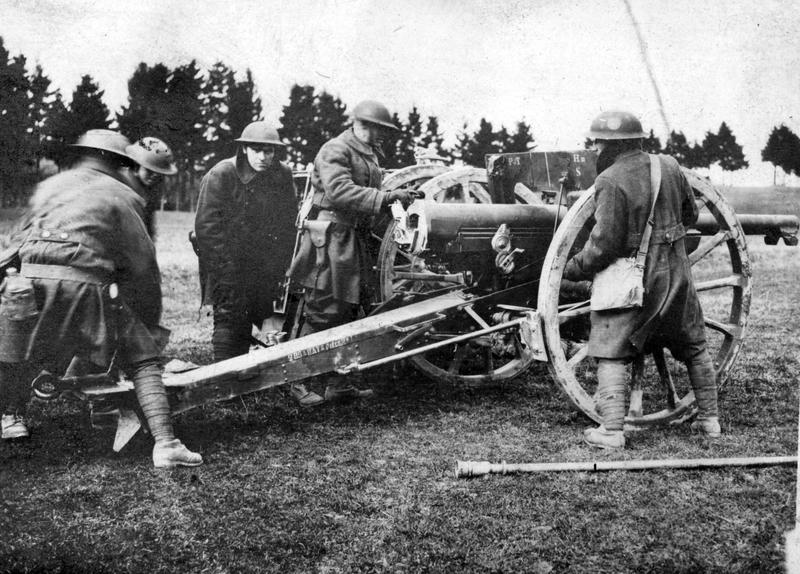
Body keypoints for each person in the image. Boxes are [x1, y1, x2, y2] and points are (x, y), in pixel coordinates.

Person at [0, 129, 202, 468]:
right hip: (82, 284)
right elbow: (142, 267)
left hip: (27, 281)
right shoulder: (121, 195)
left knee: (21, 352)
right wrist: (147, 321)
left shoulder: (51, 185)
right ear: (122, 161)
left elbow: (16, 239)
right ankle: (167, 444)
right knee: (142, 356)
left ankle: (10, 418)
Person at [562, 110, 720, 450]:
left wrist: (571, 268)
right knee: (693, 343)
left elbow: (603, 247)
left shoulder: (609, 180)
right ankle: (710, 421)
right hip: (676, 272)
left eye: (597, 144)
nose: (595, 150)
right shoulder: (669, 165)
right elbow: (690, 214)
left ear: (608, 147)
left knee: (610, 346)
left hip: (633, 279)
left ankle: (612, 431)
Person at [286, 99, 414, 402]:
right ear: (360, 124)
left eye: (384, 130)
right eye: (377, 129)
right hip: (331, 237)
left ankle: (338, 383)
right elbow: (339, 191)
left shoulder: (366, 153)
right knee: (322, 309)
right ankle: (297, 381)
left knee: (347, 312)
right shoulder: (336, 149)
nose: (381, 135)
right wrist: (385, 198)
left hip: (352, 238)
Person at [193, 122, 313, 403]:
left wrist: (282, 263)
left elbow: (286, 222)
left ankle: (260, 371)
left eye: (269, 152)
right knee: (231, 316)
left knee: (263, 312)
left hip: (264, 263)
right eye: (257, 150)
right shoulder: (222, 174)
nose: (263, 157)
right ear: (244, 149)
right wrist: (225, 269)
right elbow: (207, 228)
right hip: (226, 260)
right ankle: (224, 385)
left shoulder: (282, 175)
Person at [124, 137, 178, 239]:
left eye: (159, 173)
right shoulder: (123, 187)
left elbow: (149, 229)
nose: (154, 176)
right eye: (149, 171)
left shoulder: (150, 190)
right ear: (136, 167)